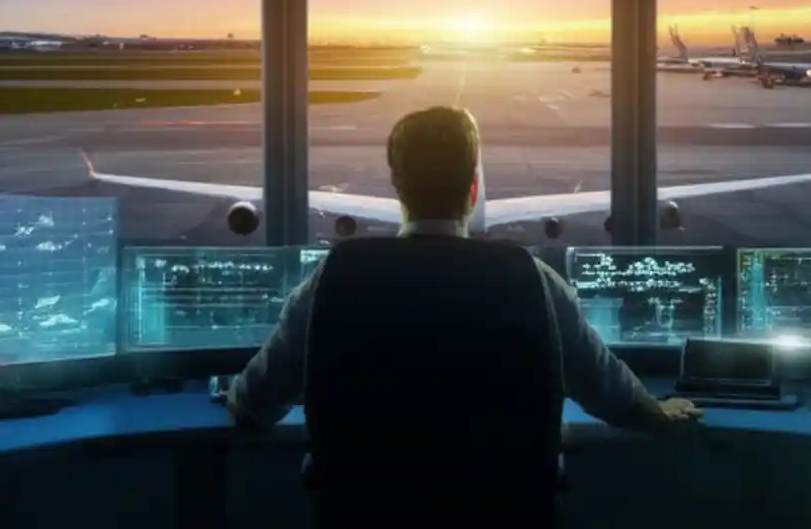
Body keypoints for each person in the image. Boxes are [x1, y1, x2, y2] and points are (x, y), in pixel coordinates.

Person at [227, 105, 702, 432]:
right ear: (473, 192)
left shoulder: (332, 281)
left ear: (396, 185)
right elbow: (611, 394)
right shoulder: (532, 283)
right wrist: (660, 415)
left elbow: (251, 406)